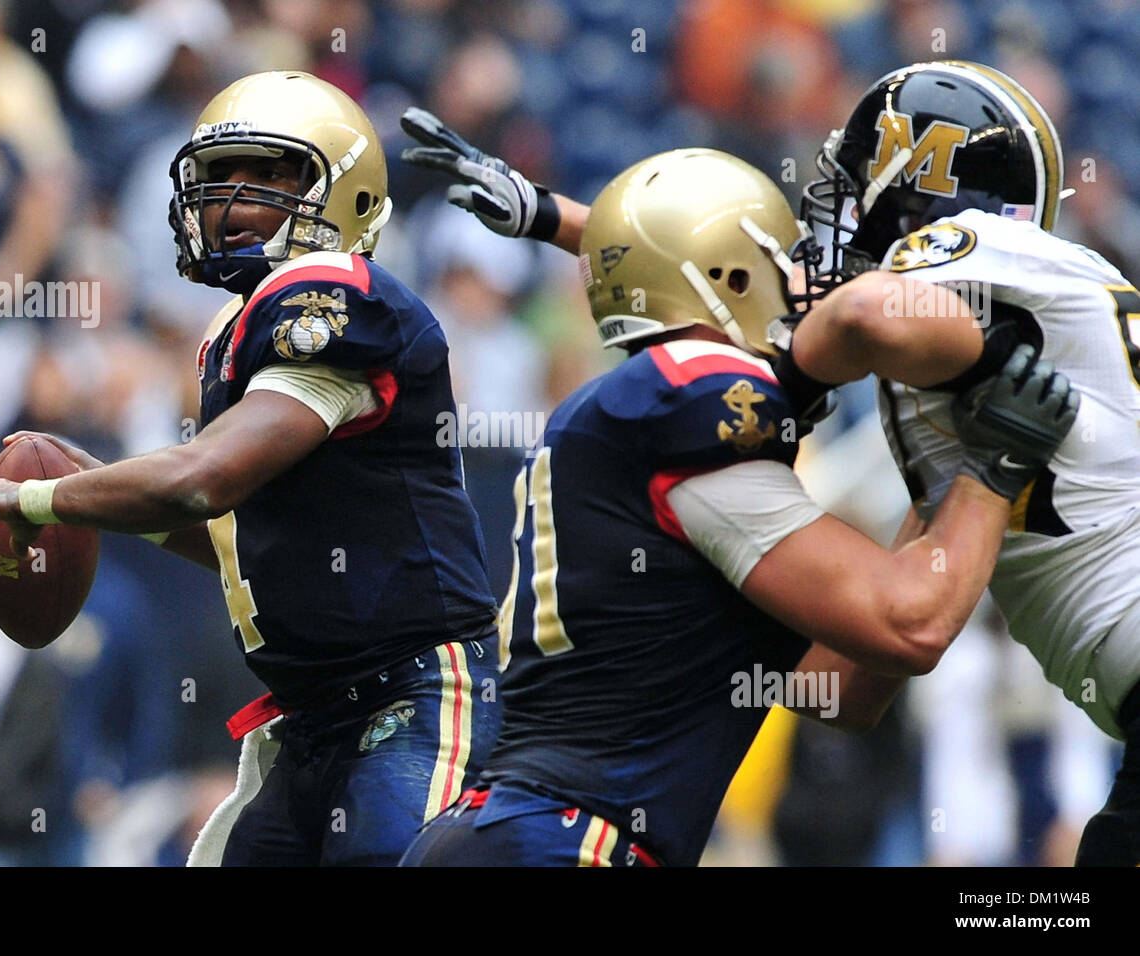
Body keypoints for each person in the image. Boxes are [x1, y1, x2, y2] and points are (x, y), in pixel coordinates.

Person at [402, 59, 1140, 866]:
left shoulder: (676, 410)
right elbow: (901, 626)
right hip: (558, 837)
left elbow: (849, 684)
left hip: (542, 831)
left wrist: (958, 478)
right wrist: (987, 468)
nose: (806, 273)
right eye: (774, 264)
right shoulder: (688, 397)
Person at [0, 71, 501, 866]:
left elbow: (200, 479)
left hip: (411, 698)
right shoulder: (236, 326)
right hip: (313, 718)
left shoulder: (333, 294)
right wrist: (105, 496)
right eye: (219, 177)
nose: (233, 200)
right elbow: (232, 533)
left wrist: (43, 497)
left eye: (267, 176)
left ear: (345, 195)